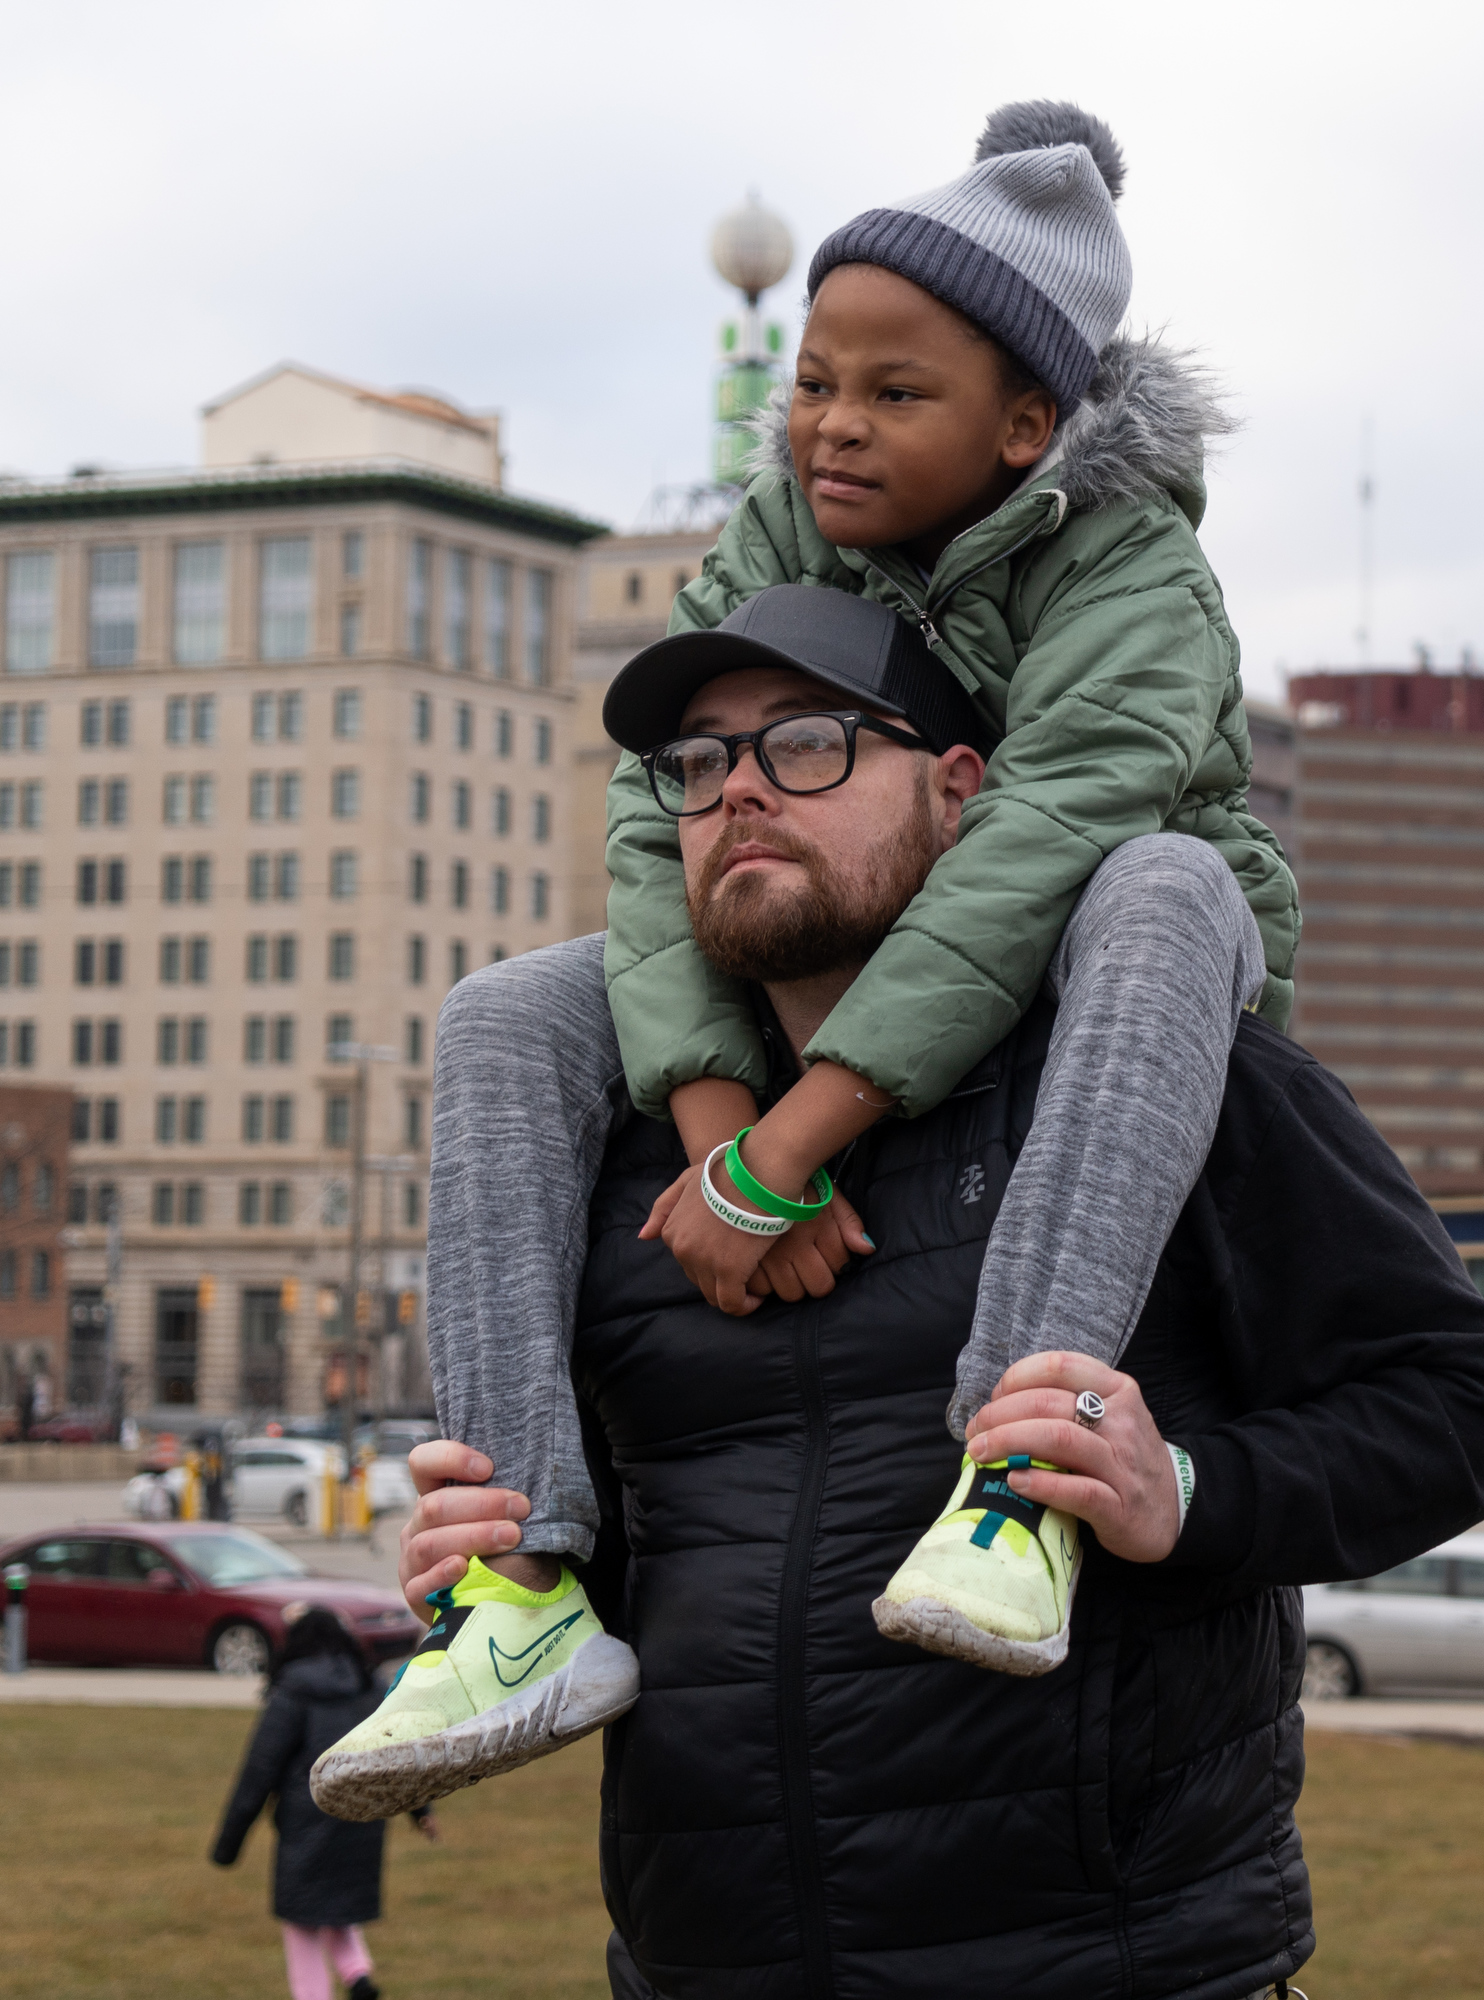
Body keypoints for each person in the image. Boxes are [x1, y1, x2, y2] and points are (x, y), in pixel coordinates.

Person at [309, 95, 1303, 1817]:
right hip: (847, 943)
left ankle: (1017, 1481)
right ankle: (520, 1585)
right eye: (817, 381)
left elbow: (1031, 863)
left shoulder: (1140, 577)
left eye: (894, 396)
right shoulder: (781, 526)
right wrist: (710, 1134)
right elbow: (654, 820)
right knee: (506, 1009)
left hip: (1102, 949)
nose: (833, 427)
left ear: (1026, 429)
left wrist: (785, 1151)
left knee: (1157, 883)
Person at [345, 627, 1484, 1996]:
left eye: (807, 743)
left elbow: (1467, 1409)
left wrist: (1185, 1494)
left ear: (959, 789)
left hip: (1117, 1970)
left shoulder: (1158, 1084)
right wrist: (512, 1546)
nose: (740, 788)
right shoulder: (628, 1162)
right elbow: (699, 1553)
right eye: (700, 760)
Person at [213, 1605, 437, 2000]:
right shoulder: (371, 1686)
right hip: (363, 1820)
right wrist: (422, 1812)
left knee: (302, 1922)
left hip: (307, 1824)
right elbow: (399, 1753)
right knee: (338, 1908)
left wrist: (227, 1846)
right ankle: (359, 1978)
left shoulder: (292, 1692)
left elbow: (258, 1772)